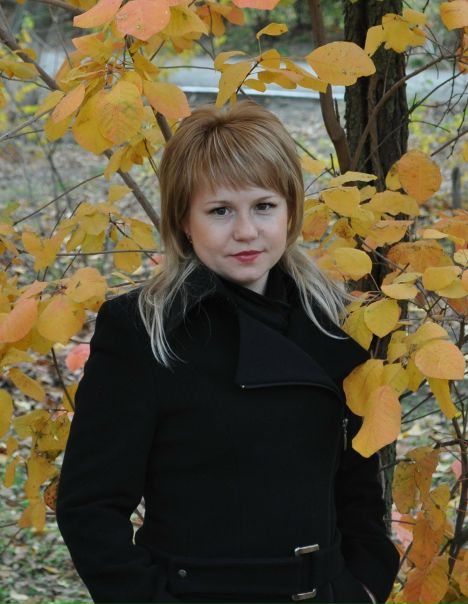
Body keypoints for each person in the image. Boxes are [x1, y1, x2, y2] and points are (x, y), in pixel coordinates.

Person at [55, 99, 400, 604]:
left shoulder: (333, 319)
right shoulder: (144, 330)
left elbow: (357, 484)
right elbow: (90, 506)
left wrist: (365, 584)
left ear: (290, 209)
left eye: (264, 206)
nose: (246, 231)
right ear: (184, 219)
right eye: (219, 211)